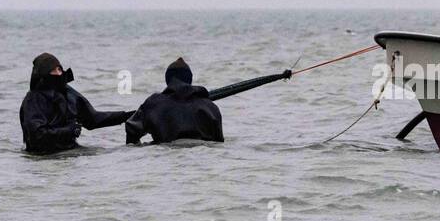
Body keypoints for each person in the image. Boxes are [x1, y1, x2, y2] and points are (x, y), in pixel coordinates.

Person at [125, 57, 292, 145]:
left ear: (167, 81)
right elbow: (219, 142)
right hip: (205, 158)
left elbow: (132, 130)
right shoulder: (210, 106)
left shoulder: (153, 104)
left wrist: (138, 146)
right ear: (190, 80)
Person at [19, 53, 133, 154]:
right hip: (44, 156)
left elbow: (93, 119)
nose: (58, 74)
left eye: (59, 69)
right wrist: (68, 131)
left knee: (113, 153)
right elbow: (37, 135)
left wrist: (126, 116)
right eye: (53, 71)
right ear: (42, 75)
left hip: (70, 150)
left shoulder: (69, 93)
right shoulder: (34, 99)